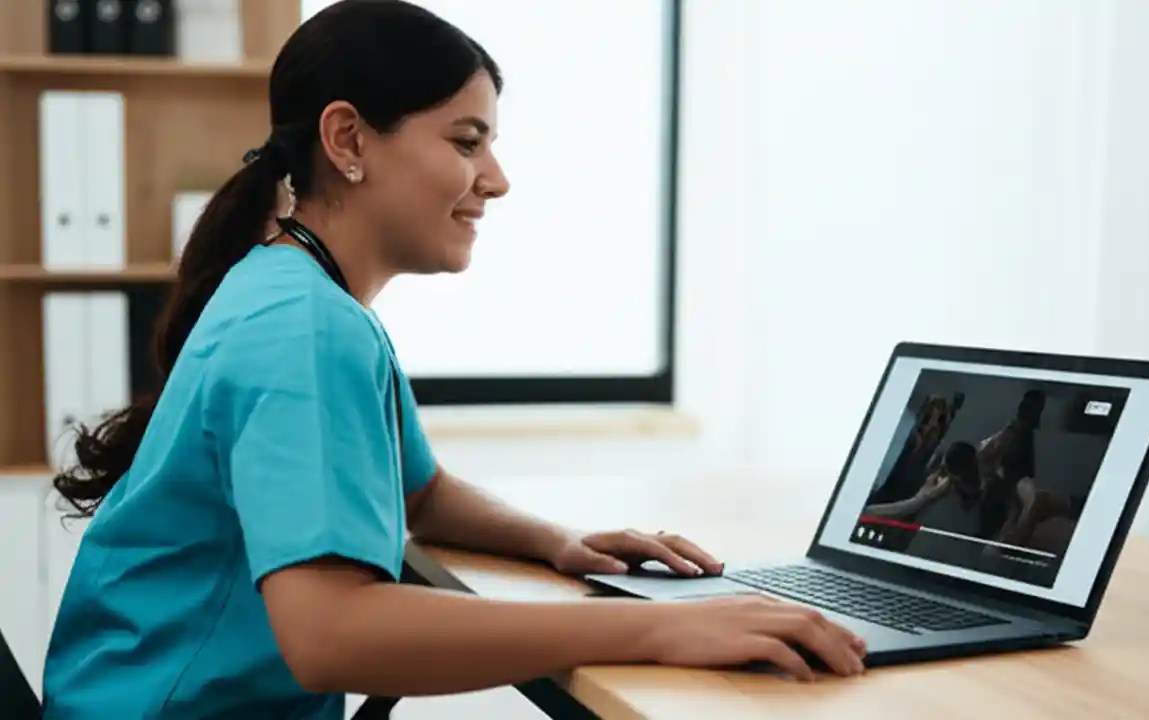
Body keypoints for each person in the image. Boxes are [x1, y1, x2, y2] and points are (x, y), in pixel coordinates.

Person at [39, 1, 866, 716]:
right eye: (468, 141)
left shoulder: (295, 291)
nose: (496, 179)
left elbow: (418, 492)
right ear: (347, 138)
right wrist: (665, 625)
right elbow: (332, 635)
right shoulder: (304, 327)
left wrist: (558, 541)